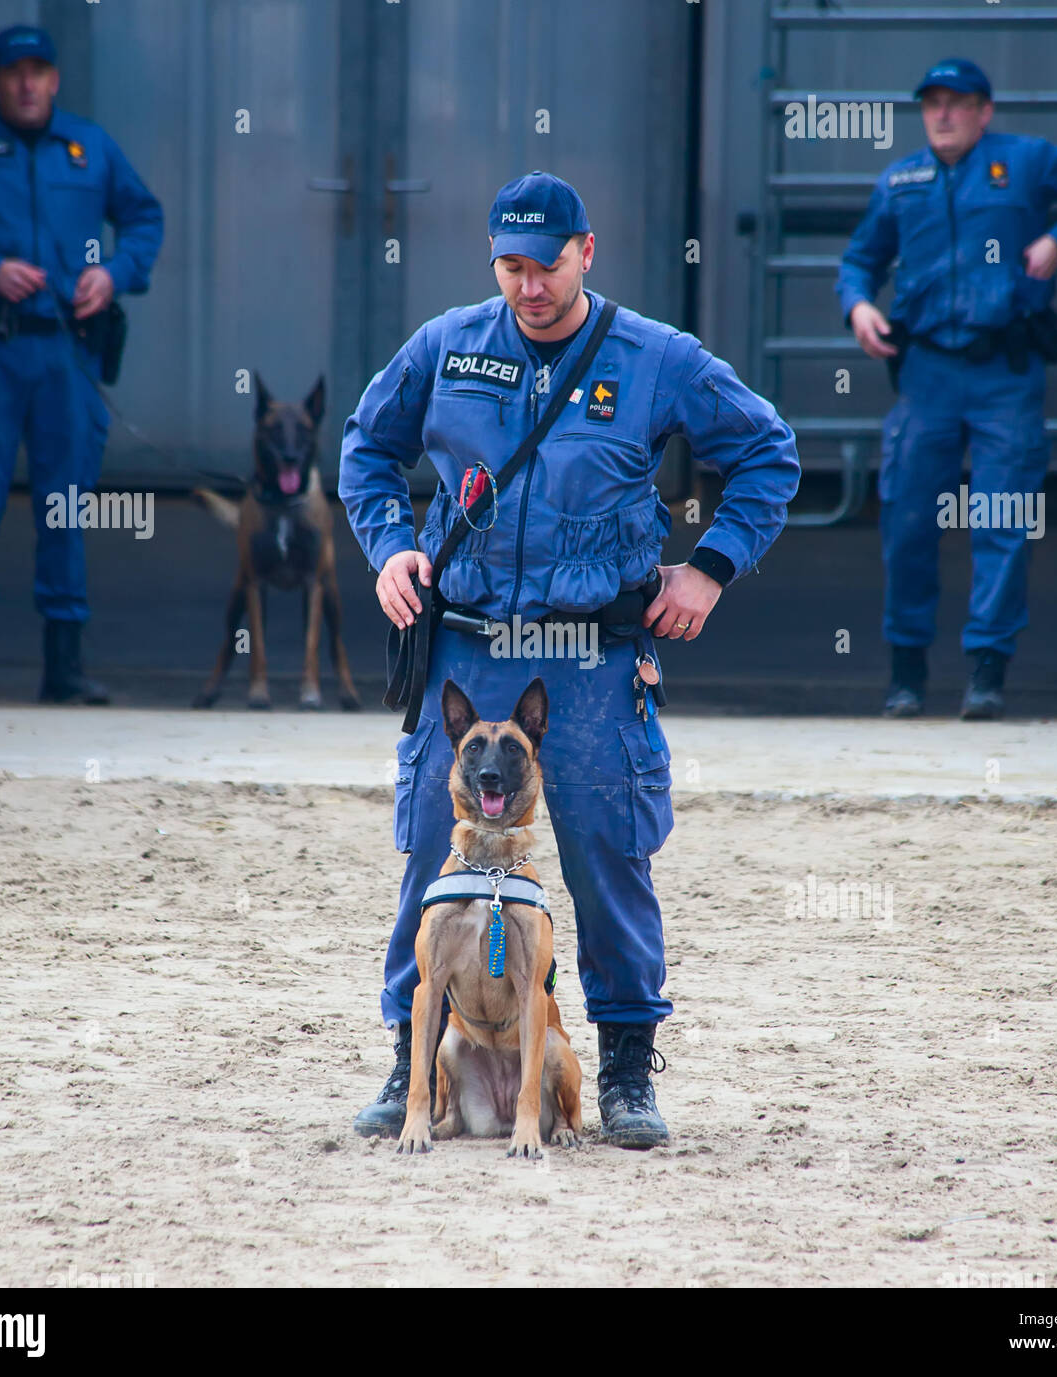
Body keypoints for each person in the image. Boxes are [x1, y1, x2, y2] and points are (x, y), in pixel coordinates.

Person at [339, 171, 800, 1148]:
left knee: (605, 852)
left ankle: (626, 1068)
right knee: (433, 852)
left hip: (588, 657)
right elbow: (366, 448)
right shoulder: (448, 346)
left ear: (586, 252)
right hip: (464, 644)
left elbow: (767, 450)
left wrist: (709, 570)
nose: (528, 287)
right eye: (509, 266)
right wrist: (390, 550)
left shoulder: (653, 360)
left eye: (545, 266)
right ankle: (407, 1061)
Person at [0, 24, 164, 702]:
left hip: (65, 353)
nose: (27, 83)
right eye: (13, 72)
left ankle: (64, 669)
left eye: (39, 71)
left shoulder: (88, 147)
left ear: (54, 79)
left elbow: (143, 218)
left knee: (65, 506)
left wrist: (115, 275)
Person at [837, 58, 1057, 719]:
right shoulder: (901, 181)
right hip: (926, 374)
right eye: (933, 104)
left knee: (1002, 521)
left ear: (986, 110)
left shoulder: (1027, 160)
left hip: (1003, 372)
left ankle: (987, 673)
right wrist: (858, 307)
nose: (944, 114)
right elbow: (859, 260)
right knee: (905, 522)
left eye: (958, 103)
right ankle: (906, 674)